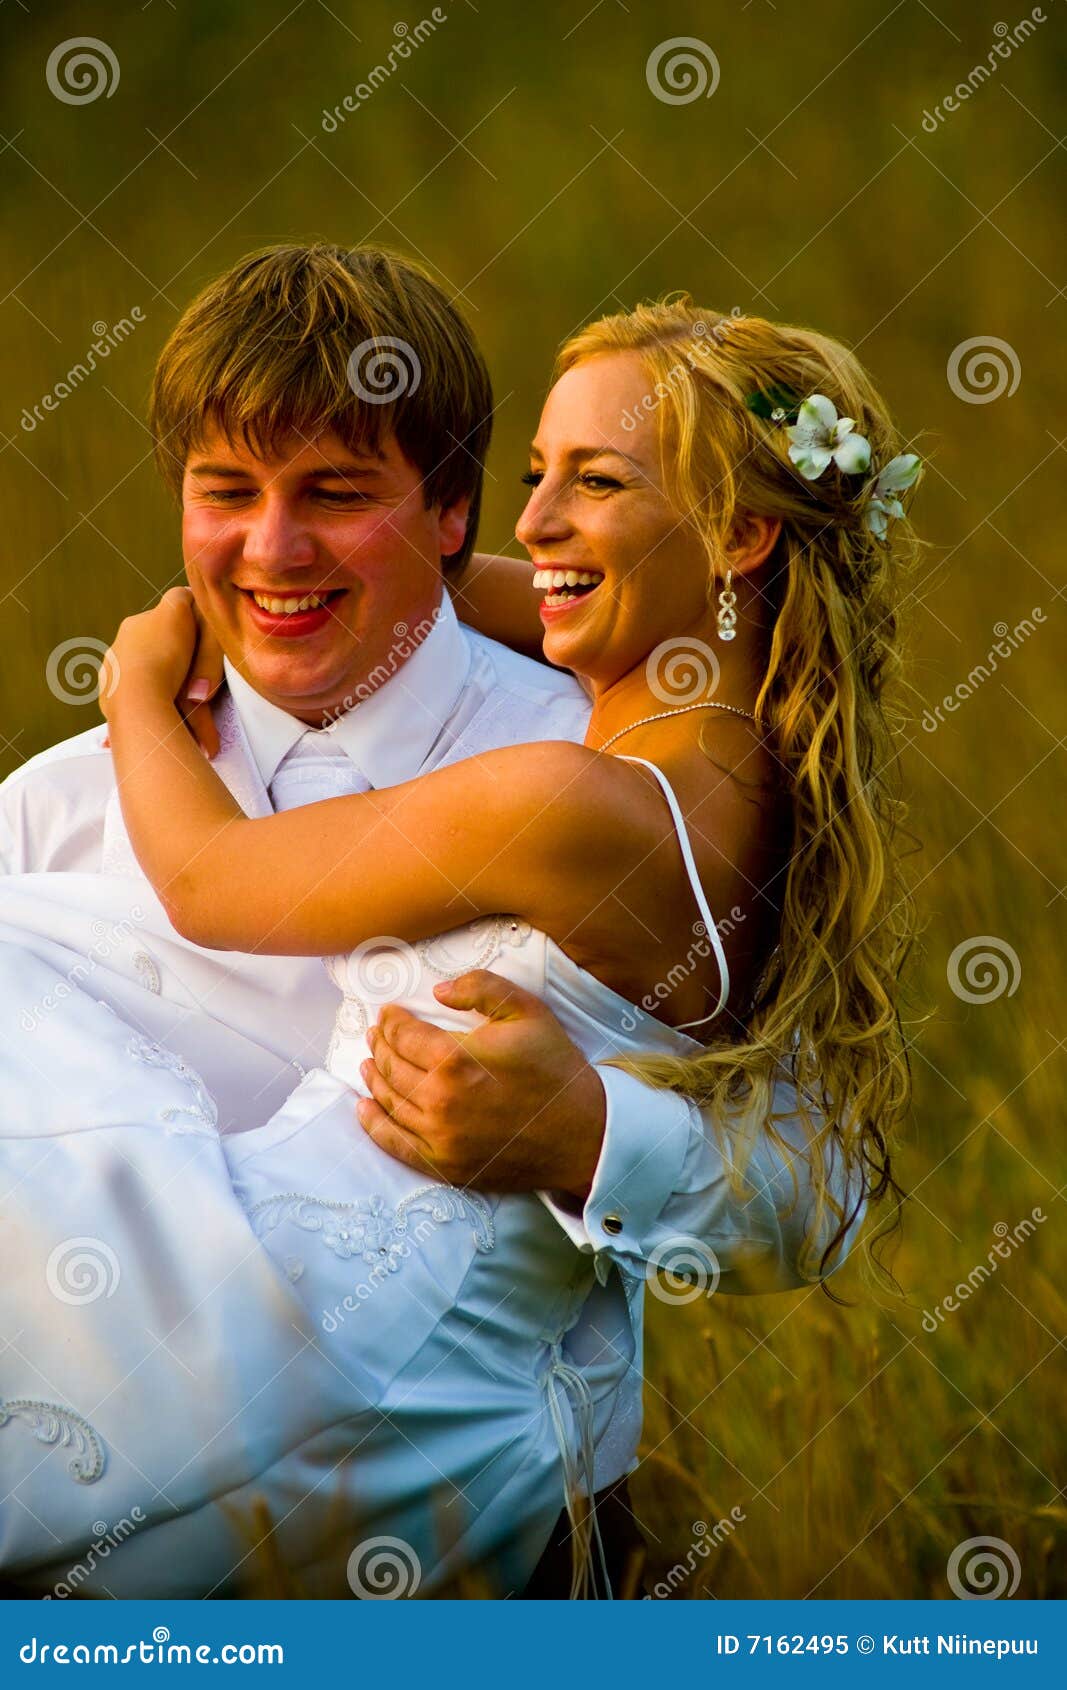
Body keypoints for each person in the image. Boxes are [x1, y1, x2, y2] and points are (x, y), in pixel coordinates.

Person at [0, 247, 896, 1597]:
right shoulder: (57, 806)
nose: (273, 546)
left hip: (486, 1549)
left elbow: (826, 1174)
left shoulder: (563, 758)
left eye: (337, 496)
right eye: (226, 493)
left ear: (440, 511)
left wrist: (594, 1132)